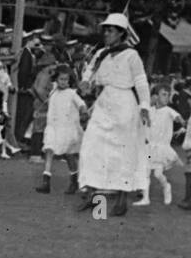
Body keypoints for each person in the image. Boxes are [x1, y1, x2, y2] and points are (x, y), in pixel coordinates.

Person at [76, 13, 151, 218]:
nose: (106, 34)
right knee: (92, 148)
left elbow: (141, 82)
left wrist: (144, 105)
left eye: (111, 30)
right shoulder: (101, 54)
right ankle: (93, 195)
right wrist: (85, 83)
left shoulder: (131, 56)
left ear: (121, 34)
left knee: (122, 152)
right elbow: (89, 74)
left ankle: (122, 200)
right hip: (104, 104)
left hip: (124, 105)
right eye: (105, 30)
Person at [37, 65, 86, 194]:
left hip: (67, 129)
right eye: (61, 79)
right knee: (49, 149)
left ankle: (74, 181)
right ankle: (46, 181)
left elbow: (81, 104)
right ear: (56, 80)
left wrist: (83, 111)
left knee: (69, 155)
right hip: (53, 127)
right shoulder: (53, 92)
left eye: (66, 79)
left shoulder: (71, 93)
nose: (64, 82)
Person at [139, 82, 183, 206]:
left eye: (168, 95)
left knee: (158, 174)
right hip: (149, 148)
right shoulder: (150, 111)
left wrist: (180, 119)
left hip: (161, 149)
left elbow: (177, 117)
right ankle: (145, 198)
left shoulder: (169, 110)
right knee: (146, 171)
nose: (167, 98)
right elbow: (143, 122)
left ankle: (166, 186)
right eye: (163, 94)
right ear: (155, 96)